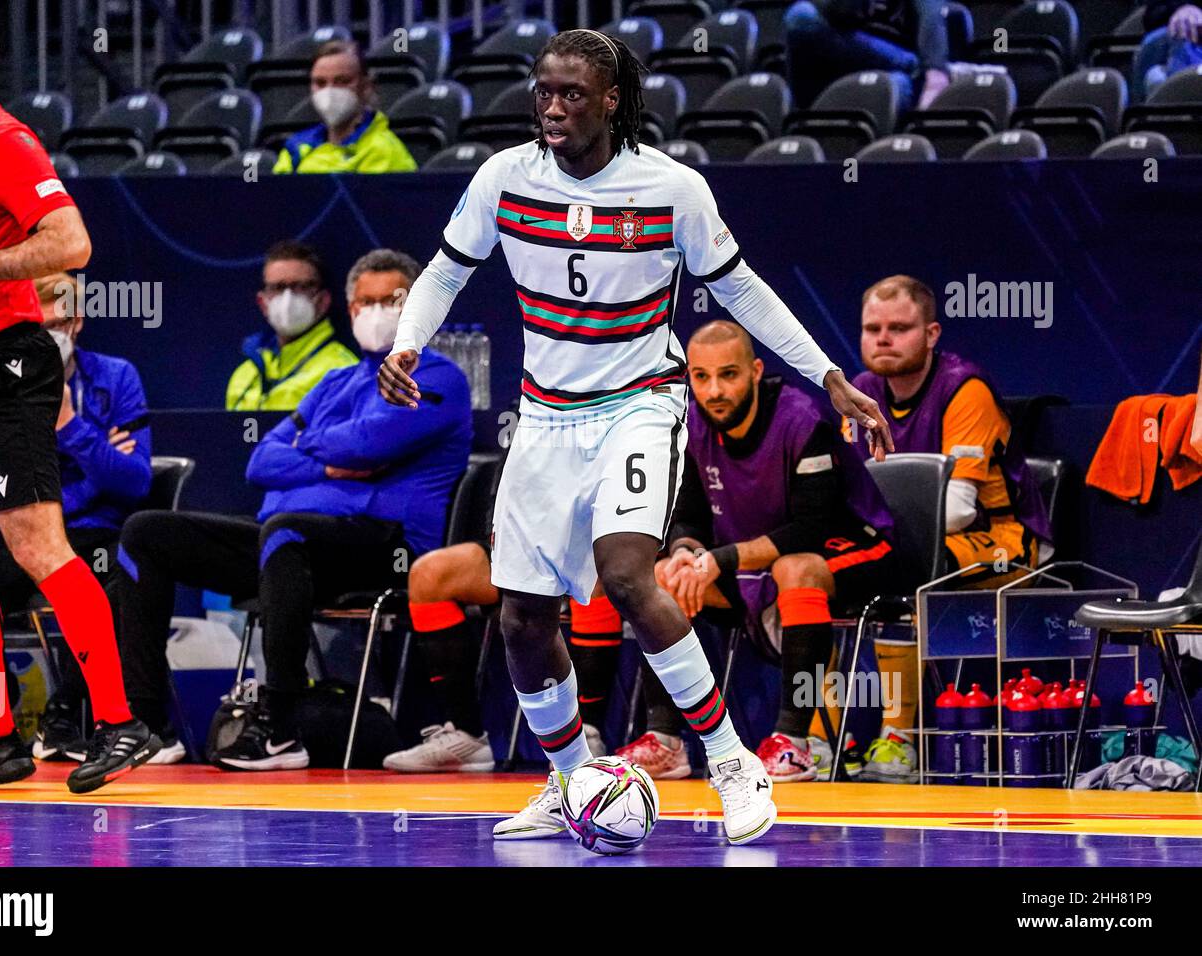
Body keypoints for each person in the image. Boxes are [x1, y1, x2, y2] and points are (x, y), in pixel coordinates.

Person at [378, 28, 891, 846]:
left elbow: (745, 292)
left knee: (625, 573)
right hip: (545, 416)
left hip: (640, 402)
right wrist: (408, 339)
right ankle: (568, 780)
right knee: (521, 618)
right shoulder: (503, 179)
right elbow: (444, 270)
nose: (551, 106)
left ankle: (731, 761)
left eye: (571, 93)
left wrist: (826, 373)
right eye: (542, 91)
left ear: (611, 100)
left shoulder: (671, 188)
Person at [0, 0, 158, 793]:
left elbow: (71, 243)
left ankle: (121, 723)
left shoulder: (7, 141)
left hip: (7, 363)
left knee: (37, 544)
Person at [117, 249, 472, 770]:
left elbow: (369, 443)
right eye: (365, 301)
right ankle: (148, 726)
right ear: (349, 310)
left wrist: (312, 447)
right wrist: (330, 465)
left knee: (286, 530)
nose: (376, 311)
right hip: (290, 547)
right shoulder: (334, 383)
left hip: (386, 546)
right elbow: (262, 461)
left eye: (392, 300)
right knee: (147, 532)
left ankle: (281, 727)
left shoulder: (440, 377)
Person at [616, 321, 906, 782]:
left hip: (862, 550)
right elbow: (687, 514)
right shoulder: (690, 424)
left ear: (755, 371)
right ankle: (667, 740)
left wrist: (721, 560)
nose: (714, 390)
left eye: (728, 375)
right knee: (663, 577)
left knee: (795, 568)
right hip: (753, 564)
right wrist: (687, 552)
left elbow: (812, 528)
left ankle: (795, 742)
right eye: (701, 376)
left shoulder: (800, 419)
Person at [0, 272, 153, 762]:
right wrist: (95, 480)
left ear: (77, 321)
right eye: (36, 324)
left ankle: (64, 715)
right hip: (24, 537)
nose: (47, 334)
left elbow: (136, 482)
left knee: (111, 577)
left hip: (95, 537)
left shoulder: (116, 379)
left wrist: (70, 426)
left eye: (57, 323)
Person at [382, 438, 624, 772]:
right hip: (525, 551)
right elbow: (504, 497)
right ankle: (467, 735)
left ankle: (589, 731)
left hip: (588, 547)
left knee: (597, 574)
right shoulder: (534, 416)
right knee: (429, 574)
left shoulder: (616, 417)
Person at [850, 275, 1053, 584]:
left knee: (899, 562)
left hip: (1002, 540)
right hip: (904, 534)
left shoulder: (965, 389)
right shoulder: (861, 392)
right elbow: (852, 492)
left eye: (900, 328)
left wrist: (873, 535)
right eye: (872, 329)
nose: (883, 339)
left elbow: (958, 512)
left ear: (932, 335)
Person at [227, 240, 359, 411]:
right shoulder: (244, 376)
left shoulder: (343, 371)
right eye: (278, 287)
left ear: (323, 301)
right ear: (262, 302)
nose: (288, 298)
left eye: (301, 287)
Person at [272, 40, 417, 175]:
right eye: (320, 83)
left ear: (366, 87)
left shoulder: (383, 150)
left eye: (342, 81)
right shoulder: (297, 146)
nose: (329, 91)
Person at [783, 0, 951, 110]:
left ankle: (913, 68)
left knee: (897, 83)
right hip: (849, 46)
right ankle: (801, 119)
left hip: (895, 59)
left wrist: (935, 71)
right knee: (800, 14)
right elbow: (839, 10)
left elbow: (932, 18)